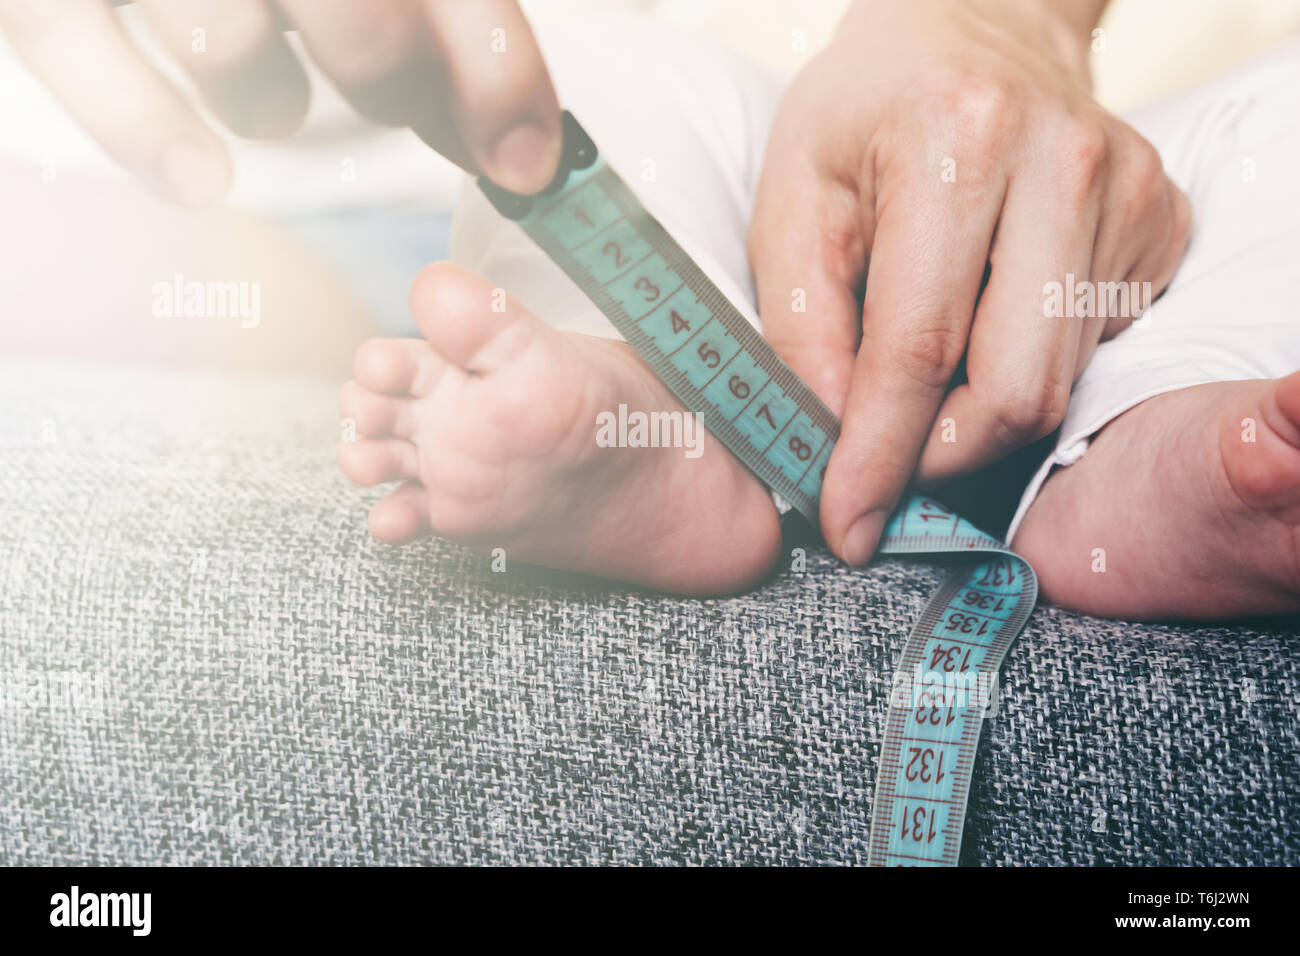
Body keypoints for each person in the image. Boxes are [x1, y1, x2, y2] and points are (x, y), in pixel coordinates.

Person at [9, 0, 1299, 619]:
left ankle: (1166, 440)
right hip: (622, 158)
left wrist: (999, 21)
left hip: (1093, 179)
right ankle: (639, 391)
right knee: (574, 60)